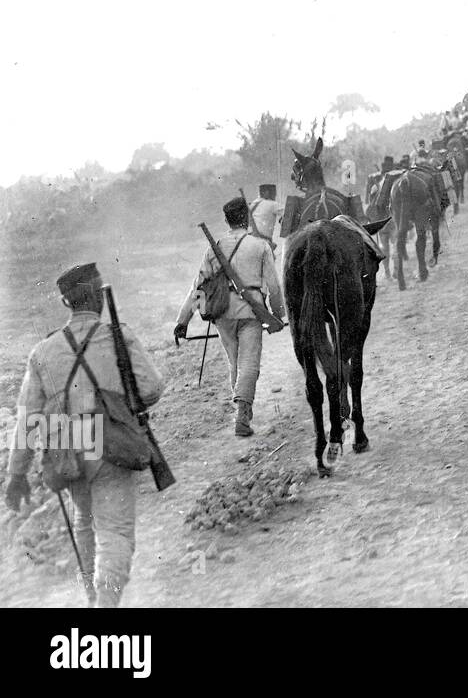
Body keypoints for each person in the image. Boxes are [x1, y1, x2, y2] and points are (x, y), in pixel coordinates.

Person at [5, 262, 166, 607]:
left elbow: (28, 418)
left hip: (66, 447)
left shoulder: (42, 351)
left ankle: (93, 598)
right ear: (97, 295)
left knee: (85, 521)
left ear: (67, 304)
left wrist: (16, 474)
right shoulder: (117, 335)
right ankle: (104, 606)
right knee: (115, 532)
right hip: (109, 442)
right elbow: (151, 389)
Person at [174, 196, 285, 435]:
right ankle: (242, 414)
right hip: (251, 312)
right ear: (247, 218)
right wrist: (278, 314)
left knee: (235, 362)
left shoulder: (214, 248)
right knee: (249, 364)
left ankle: (241, 408)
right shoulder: (260, 246)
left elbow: (198, 288)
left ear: (226, 220)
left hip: (222, 313)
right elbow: (274, 287)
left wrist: (182, 321)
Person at [248, 183, 284, 254]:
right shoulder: (272, 204)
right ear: (266, 193)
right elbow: (288, 213)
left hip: (249, 241)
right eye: (274, 194)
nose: (275, 196)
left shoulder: (252, 204)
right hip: (263, 243)